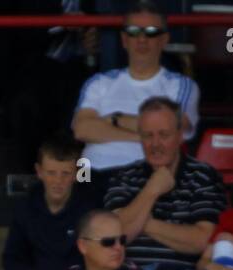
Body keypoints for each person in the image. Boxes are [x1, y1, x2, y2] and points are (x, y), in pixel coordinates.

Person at [104, 96, 226, 270]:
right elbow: (117, 236)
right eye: (148, 136)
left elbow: (200, 240)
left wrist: (142, 222)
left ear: (181, 134)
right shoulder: (125, 177)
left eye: (164, 135)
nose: (155, 144)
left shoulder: (202, 176)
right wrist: (152, 190)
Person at [71, 1, 199, 191]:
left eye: (151, 32)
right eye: (133, 31)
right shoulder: (99, 82)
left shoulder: (179, 84)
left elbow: (177, 128)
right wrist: (146, 136)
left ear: (164, 39)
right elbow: (81, 129)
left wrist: (114, 119)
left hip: (146, 174)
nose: (142, 39)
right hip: (91, 171)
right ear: (124, 39)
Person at [0, 137, 96, 270]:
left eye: (65, 173)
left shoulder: (89, 210)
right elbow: (11, 259)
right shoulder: (26, 208)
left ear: (76, 174)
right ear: (39, 171)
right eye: (51, 172)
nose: (58, 180)